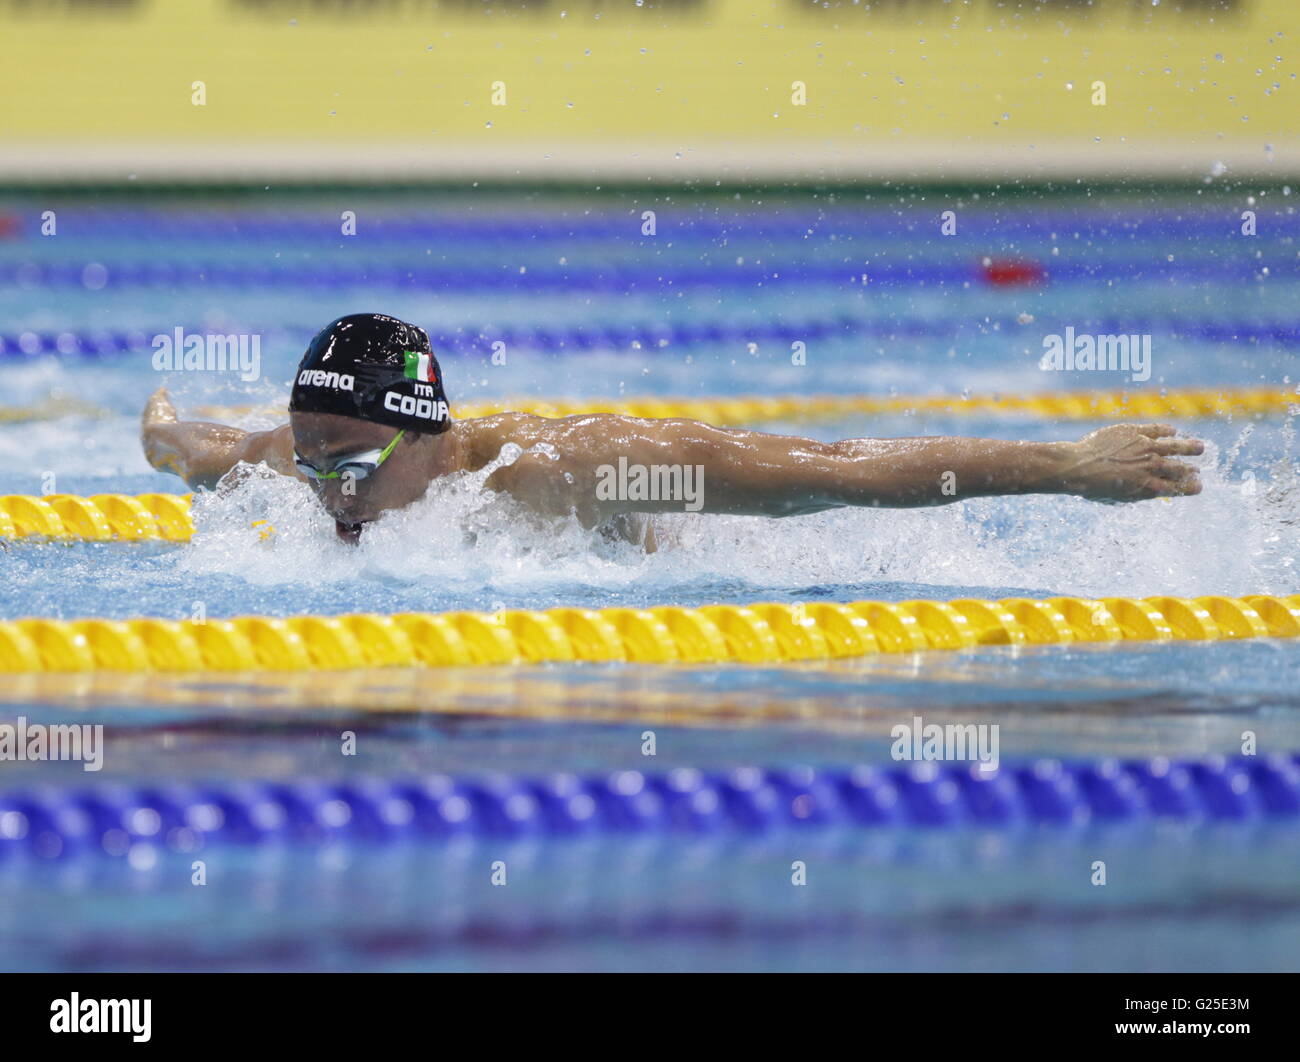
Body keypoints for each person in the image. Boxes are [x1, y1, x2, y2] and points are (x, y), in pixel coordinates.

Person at [141, 312, 1205, 547]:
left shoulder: (565, 469)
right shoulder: (305, 455)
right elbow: (195, 451)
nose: (324, 484)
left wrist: (1064, 465)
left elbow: (838, 469)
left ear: (426, 435)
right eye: (311, 451)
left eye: (353, 457)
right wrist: (161, 423)